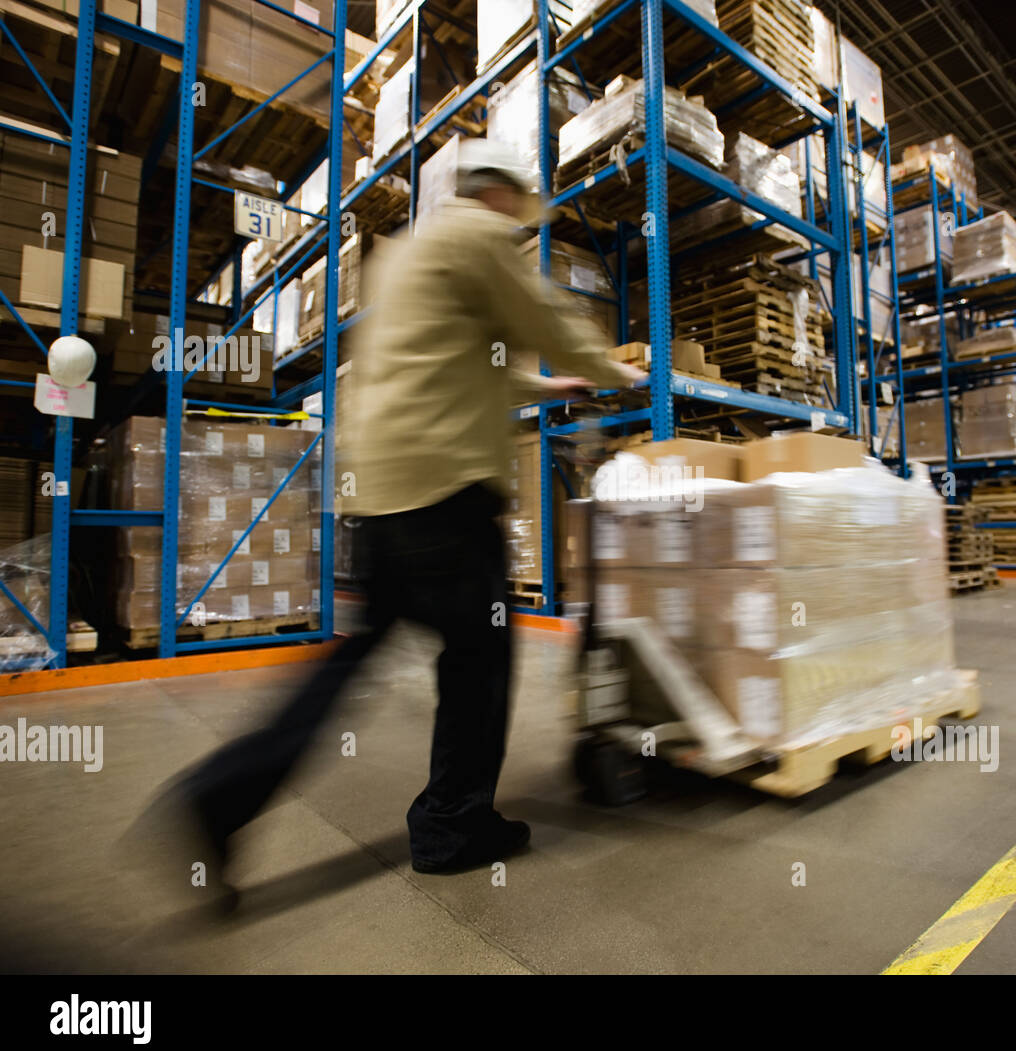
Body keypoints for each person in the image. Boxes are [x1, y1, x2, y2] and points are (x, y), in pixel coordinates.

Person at [132, 141, 643, 901]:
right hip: (444, 494)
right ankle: (452, 824)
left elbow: (479, 371)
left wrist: (551, 386)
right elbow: (548, 314)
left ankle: (220, 795)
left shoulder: (410, 254)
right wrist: (620, 370)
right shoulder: (477, 236)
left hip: (380, 497)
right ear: (499, 194)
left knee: (351, 662)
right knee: (481, 658)